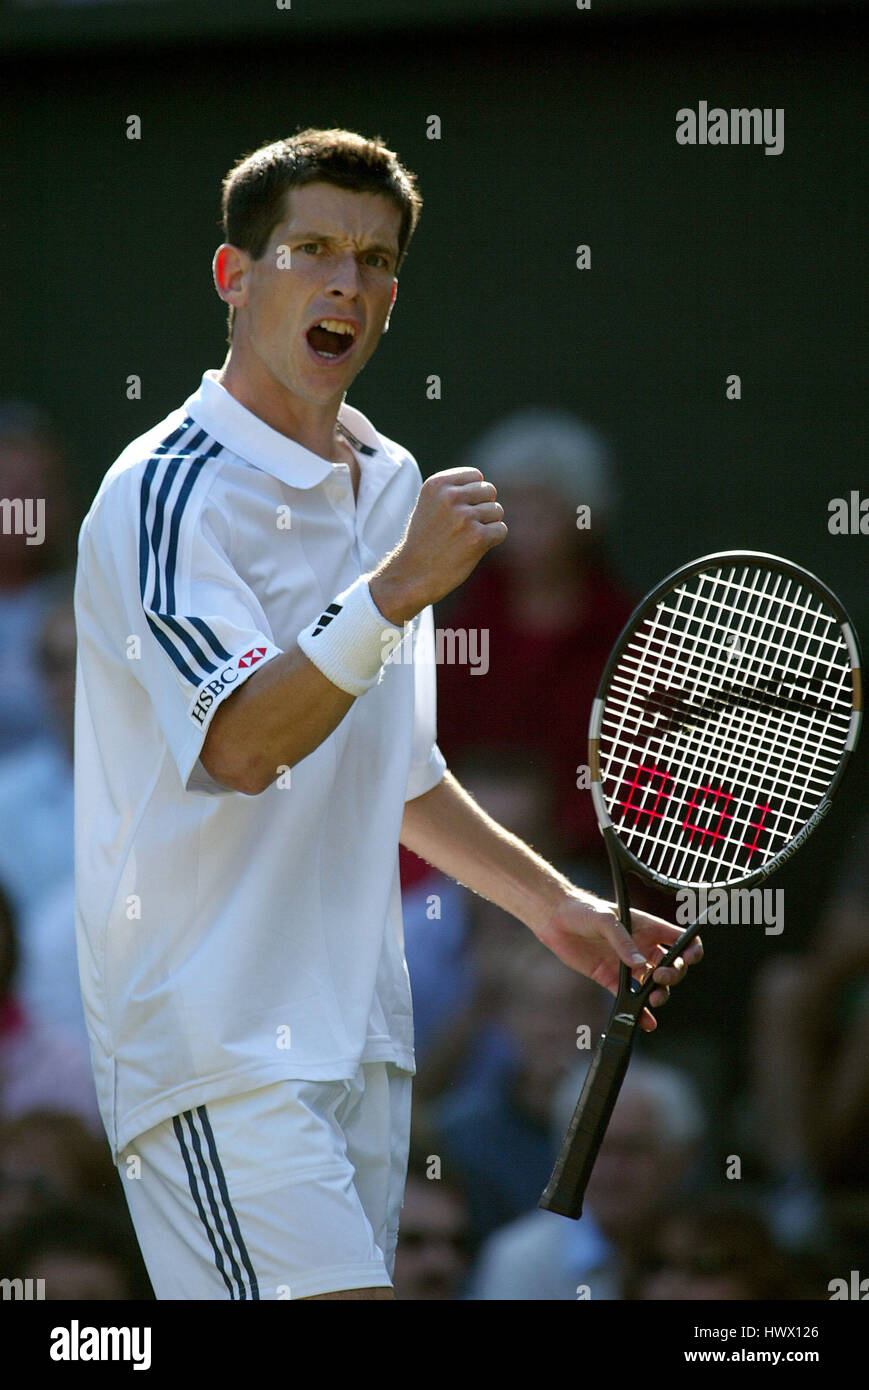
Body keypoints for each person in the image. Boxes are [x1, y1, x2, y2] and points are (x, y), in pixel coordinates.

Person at [73, 127, 702, 1302]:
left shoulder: (391, 484)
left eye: (370, 260)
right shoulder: (161, 488)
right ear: (234, 277)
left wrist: (547, 902)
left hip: (359, 1048)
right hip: (212, 1046)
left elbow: (392, 772)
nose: (342, 283)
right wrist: (392, 590)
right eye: (309, 248)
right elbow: (248, 741)